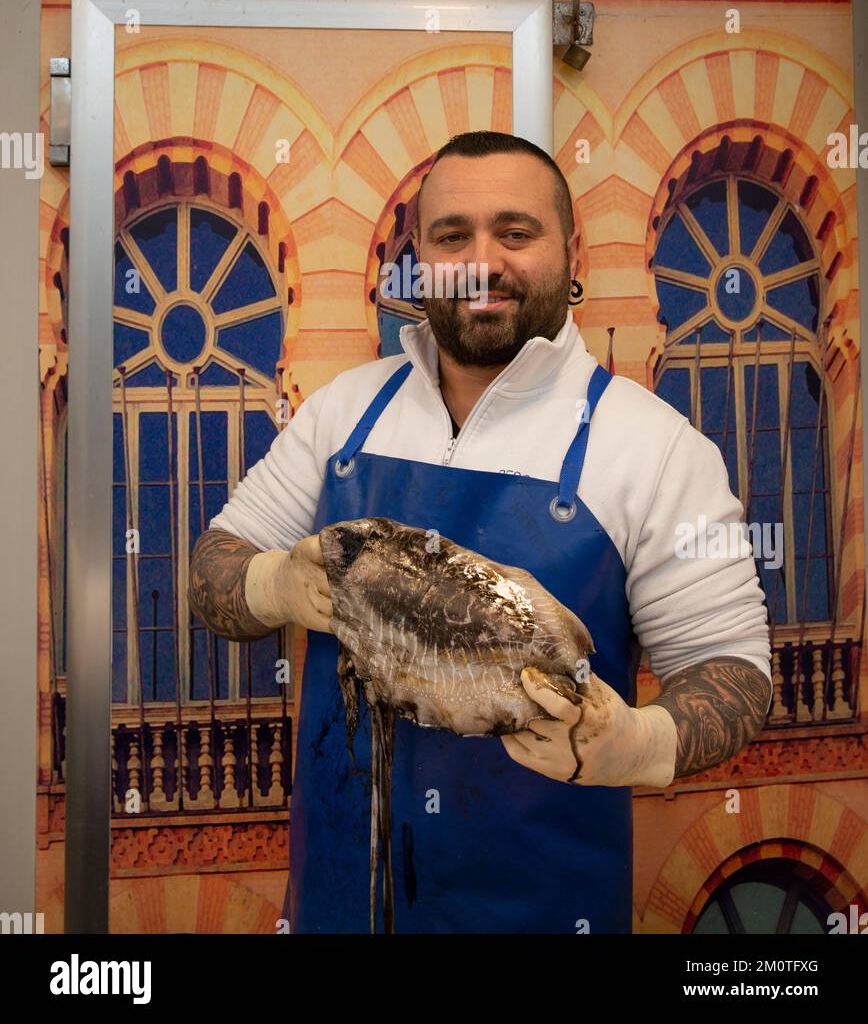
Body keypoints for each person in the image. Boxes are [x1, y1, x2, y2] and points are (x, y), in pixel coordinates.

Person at [189, 130, 772, 934]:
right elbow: (212, 572)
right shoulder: (342, 417)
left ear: (574, 255)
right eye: (451, 235)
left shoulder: (657, 449)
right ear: (419, 258)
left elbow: (734, 675)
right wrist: (271, 584)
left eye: (516, 232)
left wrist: (635, 742)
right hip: (336, 907)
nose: (482, 259)